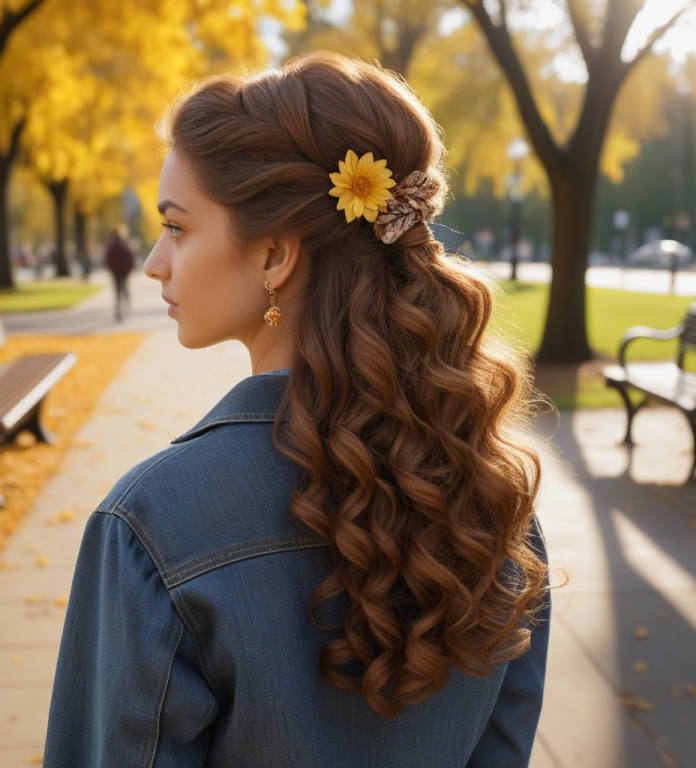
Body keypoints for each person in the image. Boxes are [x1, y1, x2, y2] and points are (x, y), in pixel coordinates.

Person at [43, 50, 554, 767]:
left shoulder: (151, 524)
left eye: (178, 227)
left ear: (275, 256)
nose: (156, 261)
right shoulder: (493, 498)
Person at [105, 222, 134, 320]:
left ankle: (119, 310)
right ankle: (126, 306)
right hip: (123, 271)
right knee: (124, 288)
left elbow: (108, 259)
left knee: (118, 291)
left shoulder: (111, 245)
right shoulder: (124, 244)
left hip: (116, 271)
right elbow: (129, 257)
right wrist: (129, 268)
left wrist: (112, 269)